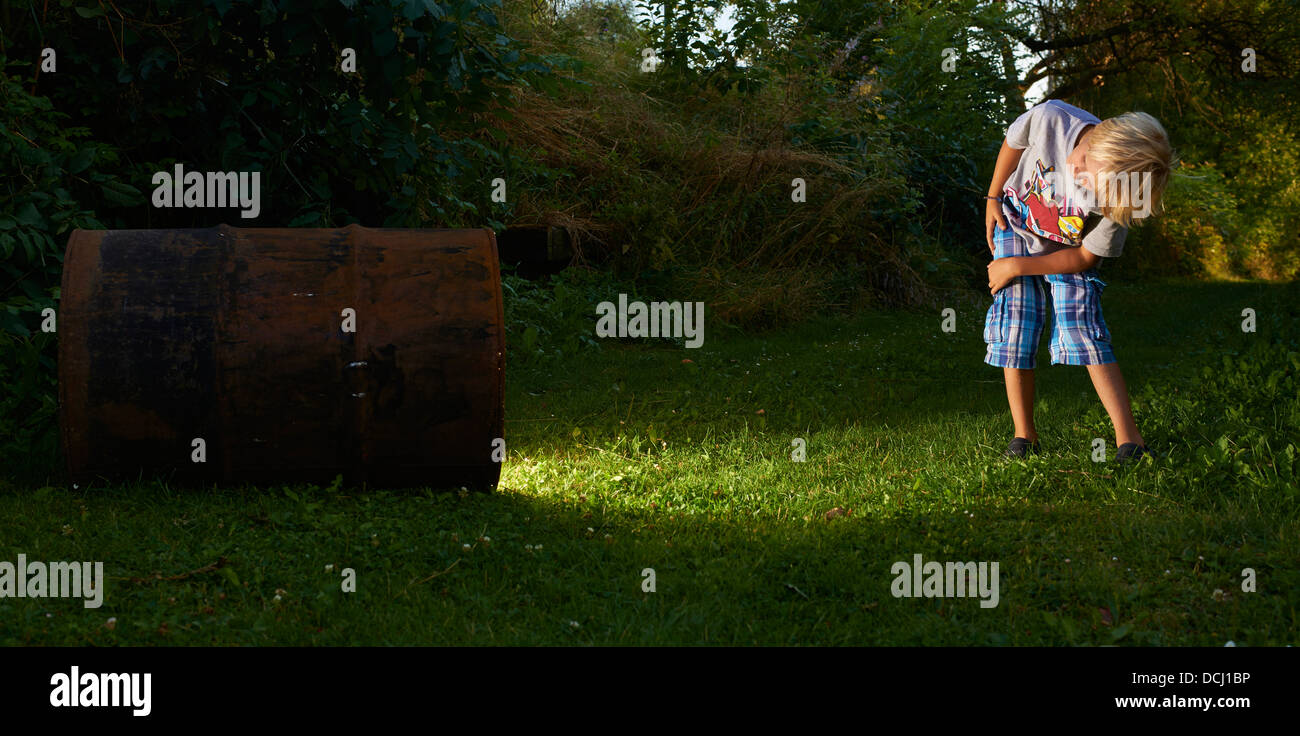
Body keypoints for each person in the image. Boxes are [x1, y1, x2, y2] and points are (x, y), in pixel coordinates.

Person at [982, 100, 1176, 462]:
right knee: (1016, 319)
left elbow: (1085, 257)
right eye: (1085, 164)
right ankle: (1024, 435)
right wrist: (993, 196)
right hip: (1017, 222)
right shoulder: (1051, 119)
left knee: (1081, 321)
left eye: (1091, 186)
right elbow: (1013, 140)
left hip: (1066, 248)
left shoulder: (1119, 199)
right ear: (1097, 136)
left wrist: (1018, 267)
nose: (1078, 176)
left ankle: (1130, 441)